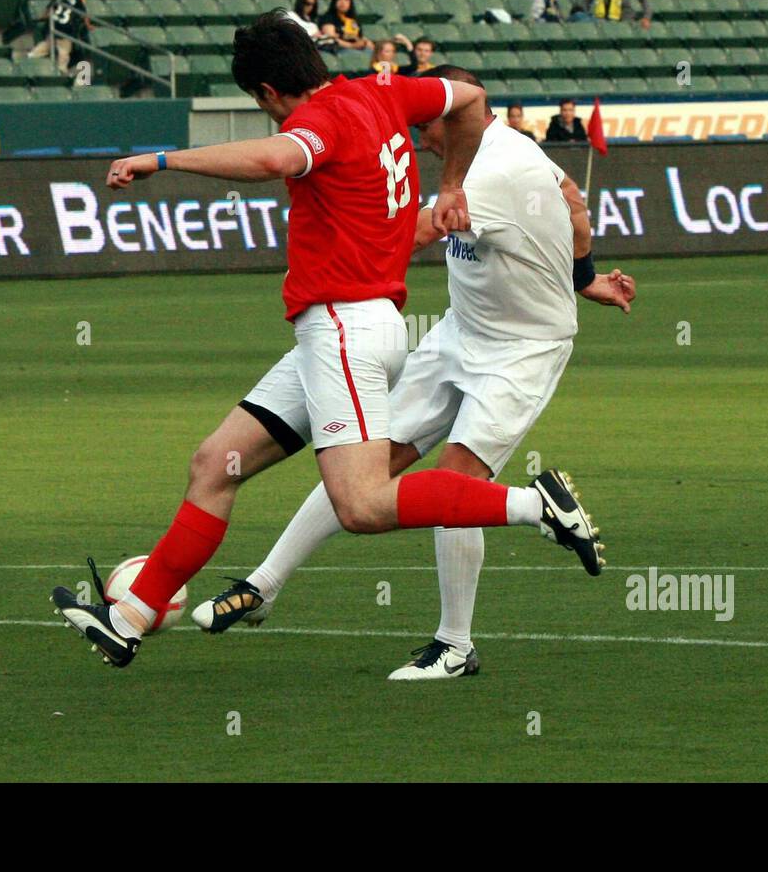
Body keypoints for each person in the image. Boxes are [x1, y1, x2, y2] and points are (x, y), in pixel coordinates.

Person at [49, 12, 604, 670]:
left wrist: (162, 160)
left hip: (345, 329)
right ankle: (130, 618)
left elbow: (272, 158)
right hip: (343, 331)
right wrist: (452, 183)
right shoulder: (383, 90)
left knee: (362, 503)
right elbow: (470, 98)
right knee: (217, 463)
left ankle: (535, 506)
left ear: (265, 92)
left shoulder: (323, 121)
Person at [192, 66, 635, 679]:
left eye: (424, 127)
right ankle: (263, 586)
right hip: (458, 333)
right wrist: (586, 279)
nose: (419, 138)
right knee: (364, 464)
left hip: (522, 351)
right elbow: (575, 203)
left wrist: (336, 268)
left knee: (456, 480)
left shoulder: (496, 170)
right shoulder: (507, 148)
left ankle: (455, 645)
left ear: (451, 121)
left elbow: (419, 233)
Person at [26, 0, 91, 74]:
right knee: (64, 51)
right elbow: (83, 13)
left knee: (47, 44)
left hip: (54, 24)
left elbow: (50, 7)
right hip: (65, 28)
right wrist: (88, 25)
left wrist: (43, 17)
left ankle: (31, 56)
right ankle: (62, 71)